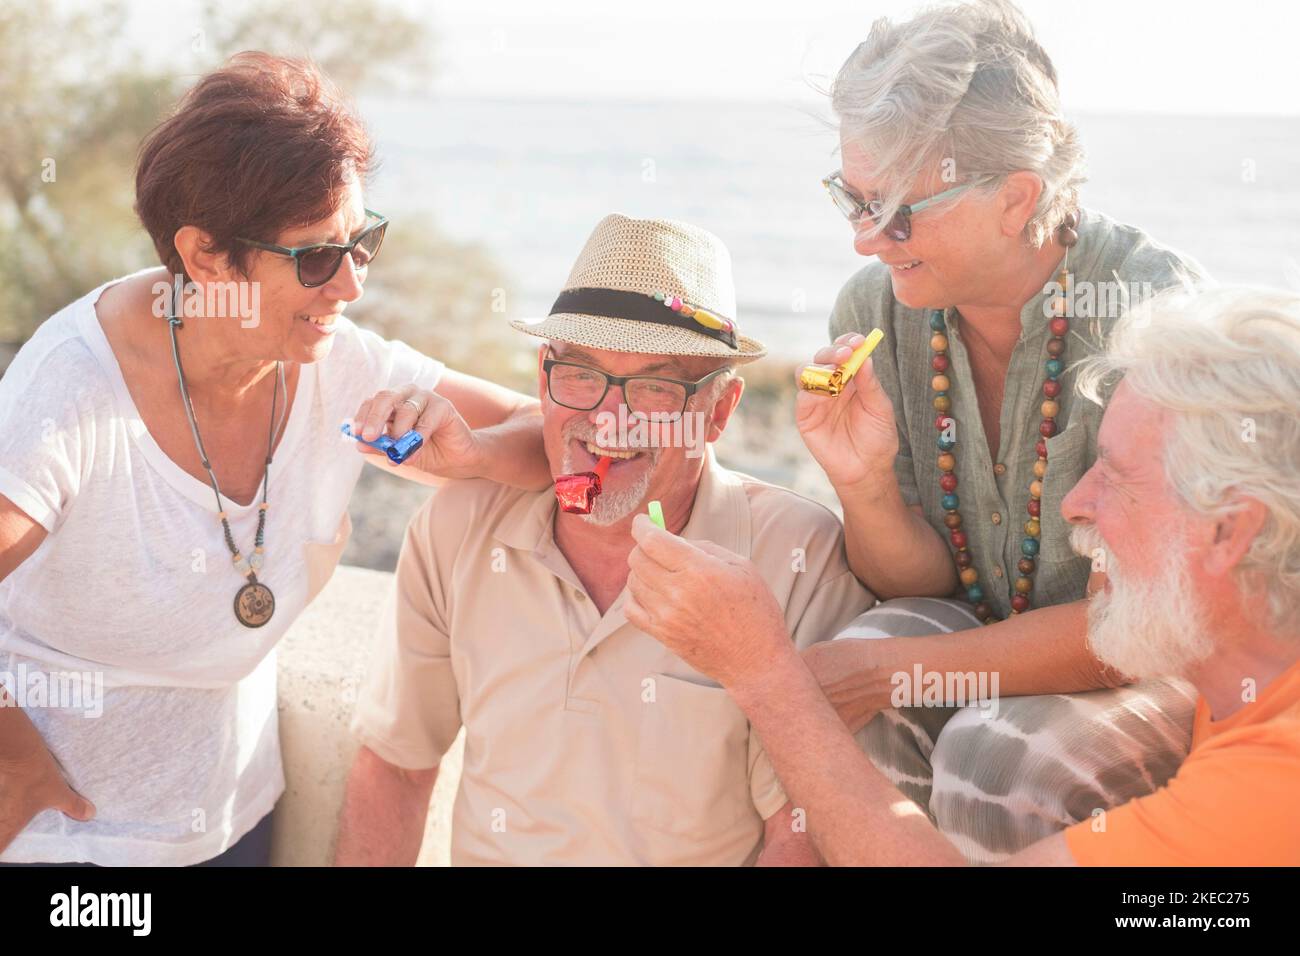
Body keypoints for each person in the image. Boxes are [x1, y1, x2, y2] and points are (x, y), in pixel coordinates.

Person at [0, 53, 549, 867]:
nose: (352, 285)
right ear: (208, 257)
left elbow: (552, 434)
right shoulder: (75, 388)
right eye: (316, 257)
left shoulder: (333, 360)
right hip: (74, 850)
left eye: (362, 243)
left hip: (234, 824)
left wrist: (471, 454)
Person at [628, 285, 1300, 865]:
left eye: (1117, 481)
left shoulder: (1272, 784)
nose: (1075, 503)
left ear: (1229, 531)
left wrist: (763, 672)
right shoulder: (1249, 680)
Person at [791, 0, 1210, 859]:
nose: (868, 240)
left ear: (1018, 196)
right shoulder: (877, 308)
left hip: (1155, 662)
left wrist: (902, 673)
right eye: (853, 199)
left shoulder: (1151, 314)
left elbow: (1141, 626)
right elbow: (916, 581)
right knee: (863, 668)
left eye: (898, 211)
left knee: (999, 753)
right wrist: (862, 481)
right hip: (983, 644)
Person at [335, 214, 872, 865]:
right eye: (582, 375)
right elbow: (396, 767)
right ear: (542, 379)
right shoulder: (458, 525)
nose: (609, 419)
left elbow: (798, 832)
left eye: (655, 386)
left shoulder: (799, 556)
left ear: (720, 413)